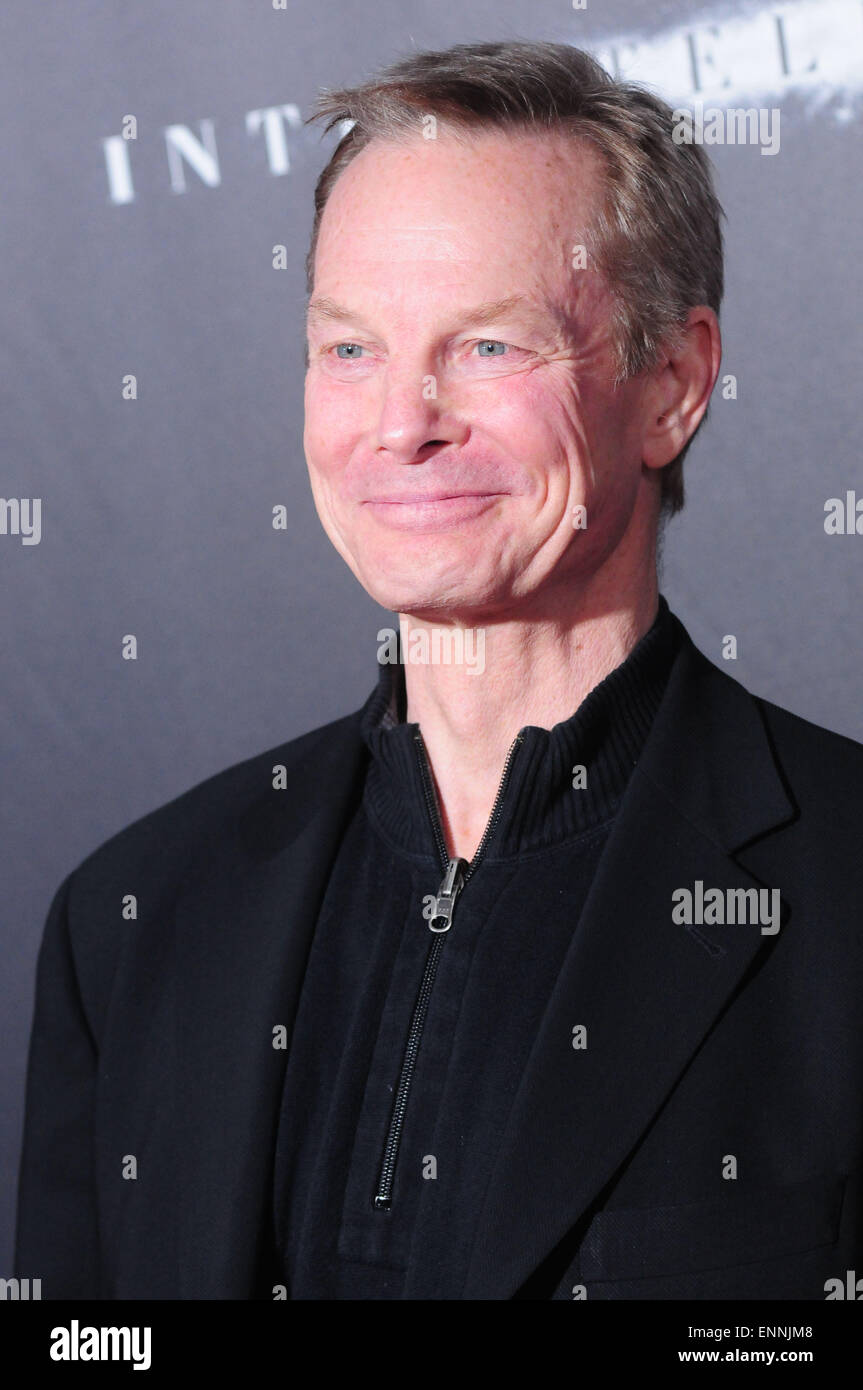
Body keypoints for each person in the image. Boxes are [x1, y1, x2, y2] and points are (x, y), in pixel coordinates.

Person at [15, 40, 863, 1300]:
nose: (400, 422)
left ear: (671, 385)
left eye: (487, 347)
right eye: (349, 349)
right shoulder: (132, 919)